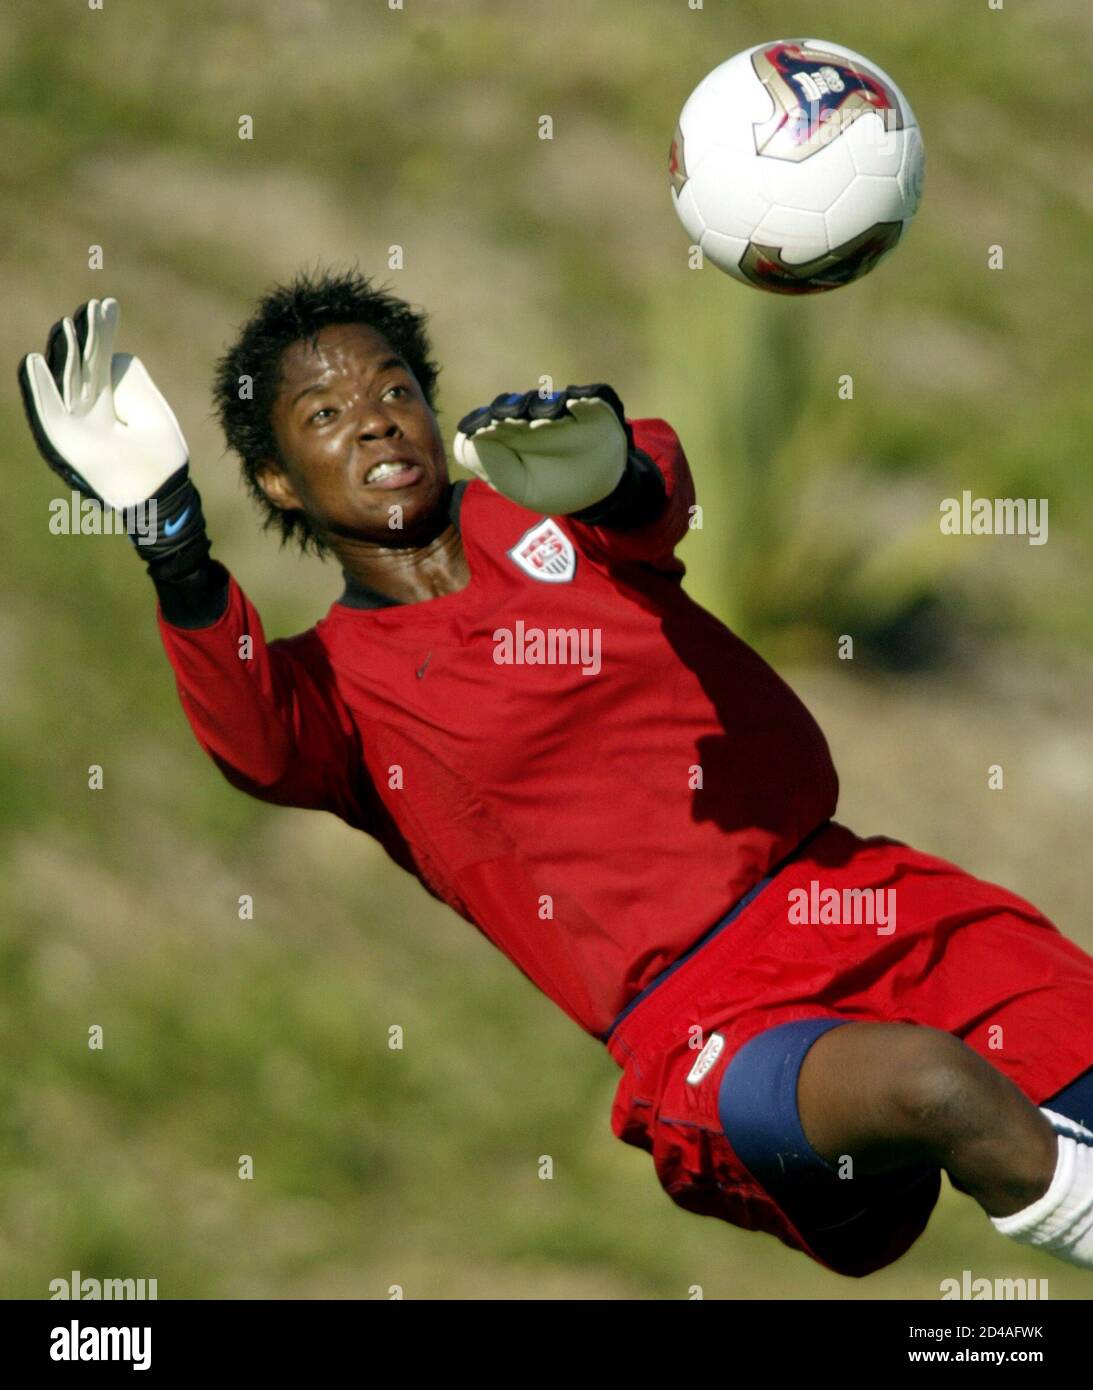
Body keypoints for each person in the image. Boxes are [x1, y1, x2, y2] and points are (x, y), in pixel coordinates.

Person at [19, 271, 1093, 1280]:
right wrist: (170, 540)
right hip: (717, 1027)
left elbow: (653, 489)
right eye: (325, 416)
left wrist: (611, 467)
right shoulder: (336, 691)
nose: (377, 419)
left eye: (395, 389)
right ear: (276, 482)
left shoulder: (537, 504)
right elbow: (250, 737)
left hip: (872, 901)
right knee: (936, 1085)